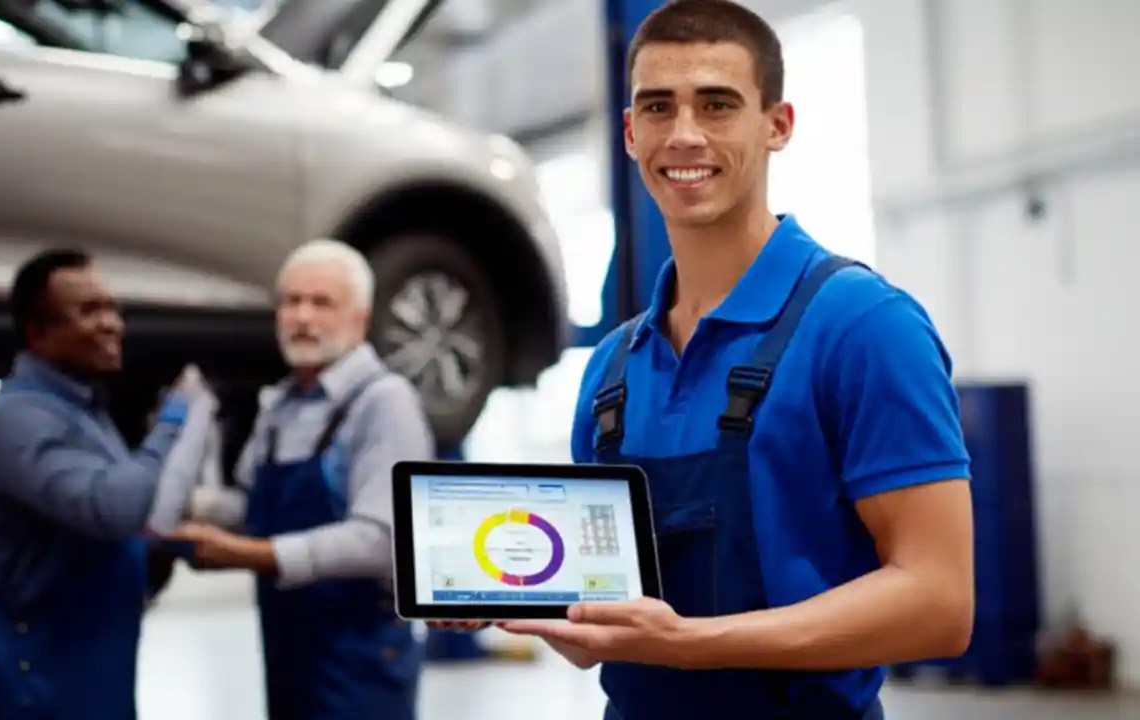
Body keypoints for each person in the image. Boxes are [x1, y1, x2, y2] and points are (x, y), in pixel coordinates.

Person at [479, 2, 976, 718]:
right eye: (658, 107)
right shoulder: (613, 370)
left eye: (717, 105)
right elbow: (600, 629)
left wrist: (693, 642)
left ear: (777, 125)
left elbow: (939, 601)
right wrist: (516, 603)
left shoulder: (863, 328)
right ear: (628, 132)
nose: (684, 134)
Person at [170, 238, 435, 720]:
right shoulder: (281, 405)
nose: (302, 317)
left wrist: (250, 555)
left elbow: (382, 539)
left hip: (360, 657)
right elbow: (253, 507)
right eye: (290, 302)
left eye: (321, 303)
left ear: (359, 317)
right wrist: (191, 508)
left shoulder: (383, 403)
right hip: (290, 650)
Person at [0, 249, 215, 720]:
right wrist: (173, 419)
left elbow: (101, 530)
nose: (112, 323)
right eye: (88, 311)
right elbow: (112, 509)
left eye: (112, 308)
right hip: (35, 682)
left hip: (93, 672)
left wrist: (154, 555)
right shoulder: (19, 418)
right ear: (37, 333)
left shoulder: (84, 412)